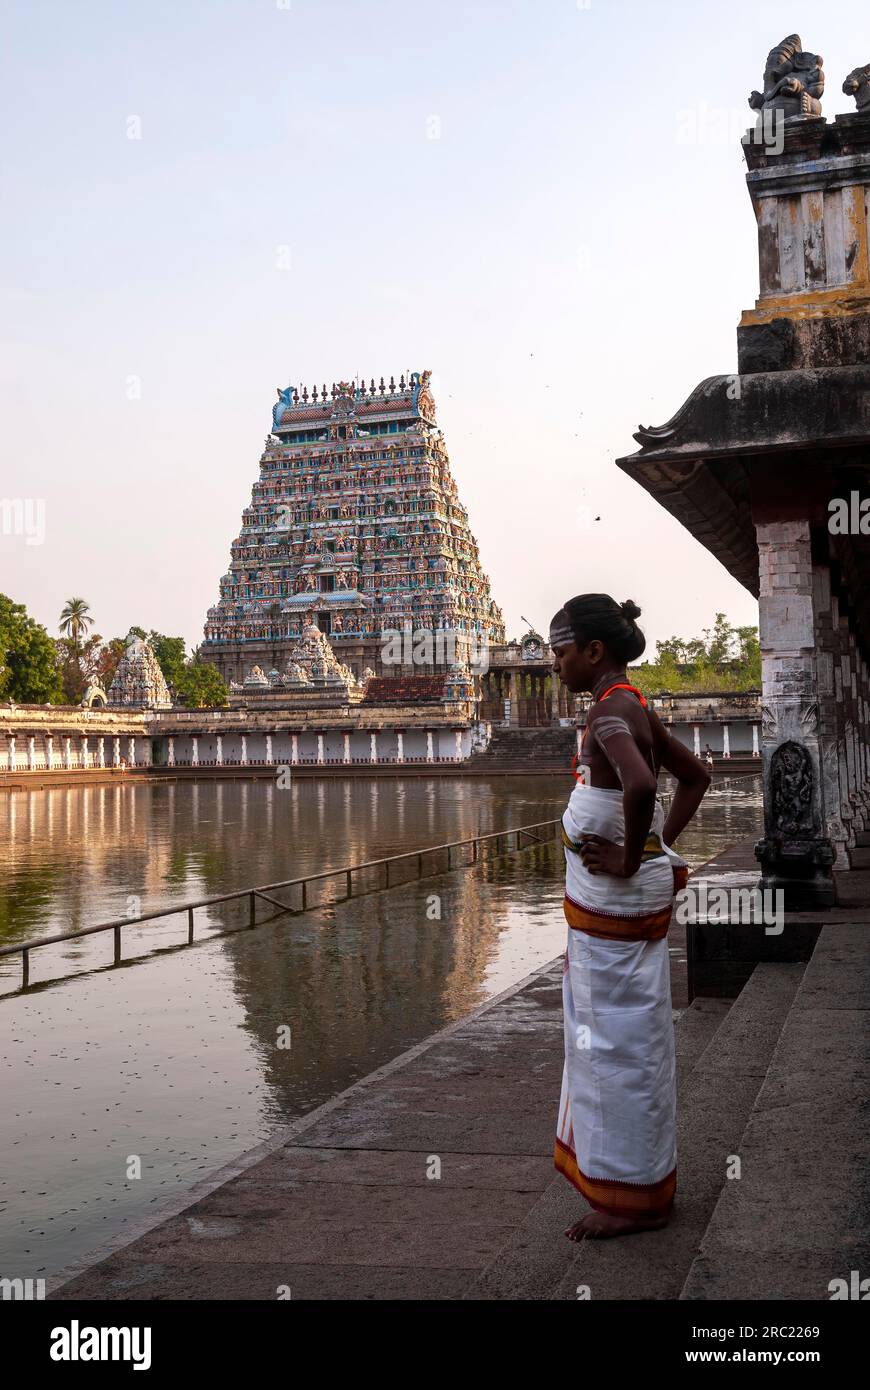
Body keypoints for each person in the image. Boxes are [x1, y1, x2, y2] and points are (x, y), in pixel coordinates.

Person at [549, 594, 711, 1240]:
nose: (555, 664)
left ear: (594, 652)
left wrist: (628, 858)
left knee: (613, 1053)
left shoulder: (608, 718)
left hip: (612, 924)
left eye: (562, 653)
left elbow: (643, 785)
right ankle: (643, 1189)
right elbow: (696, 777)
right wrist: (656, 850)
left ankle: (631, 1200)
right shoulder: (634, 705)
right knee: (633, 1048)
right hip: (617, 930)